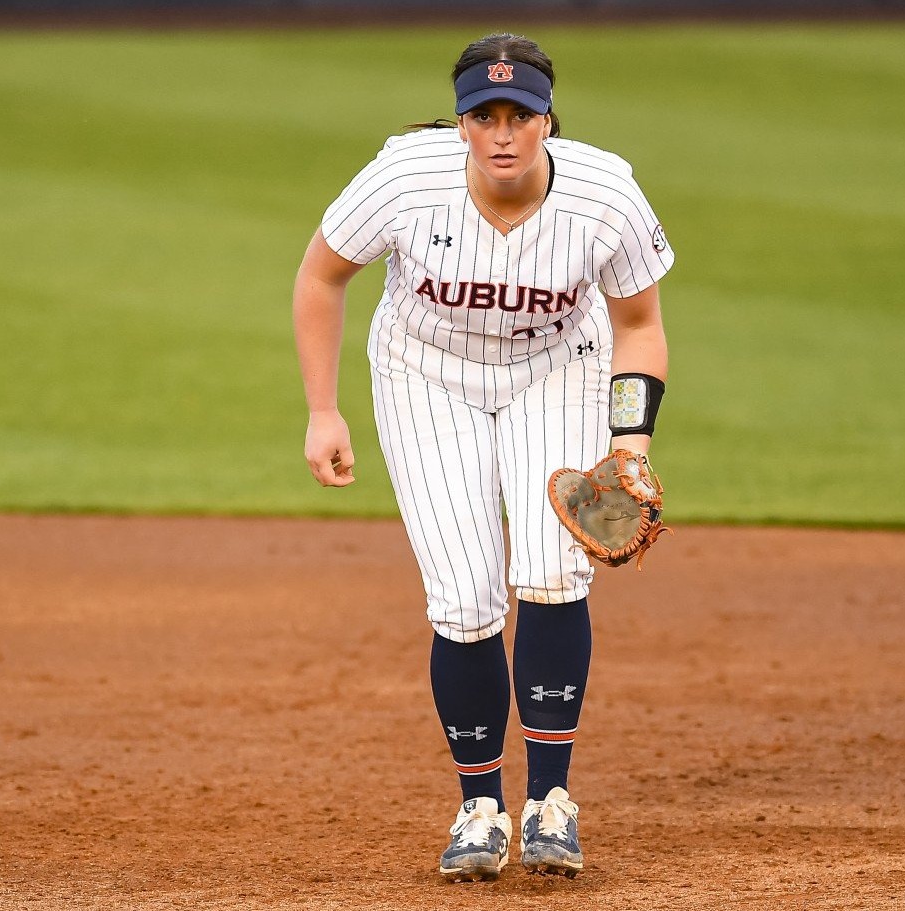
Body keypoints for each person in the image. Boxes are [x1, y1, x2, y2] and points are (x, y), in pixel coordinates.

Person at [292, 32, 673, 882]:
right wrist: (323, 410)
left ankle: (550, 802)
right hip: (425, 378)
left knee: (549, 573)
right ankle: (479, 806)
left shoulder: (604, 191)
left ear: (548, 121)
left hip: (557, 374)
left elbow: (639, 326)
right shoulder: (403, 177)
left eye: (521, 116)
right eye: (483, 115)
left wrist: (628, 442)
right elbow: (321, 276)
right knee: (463, 597)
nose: (502, 132)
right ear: (461, 123)